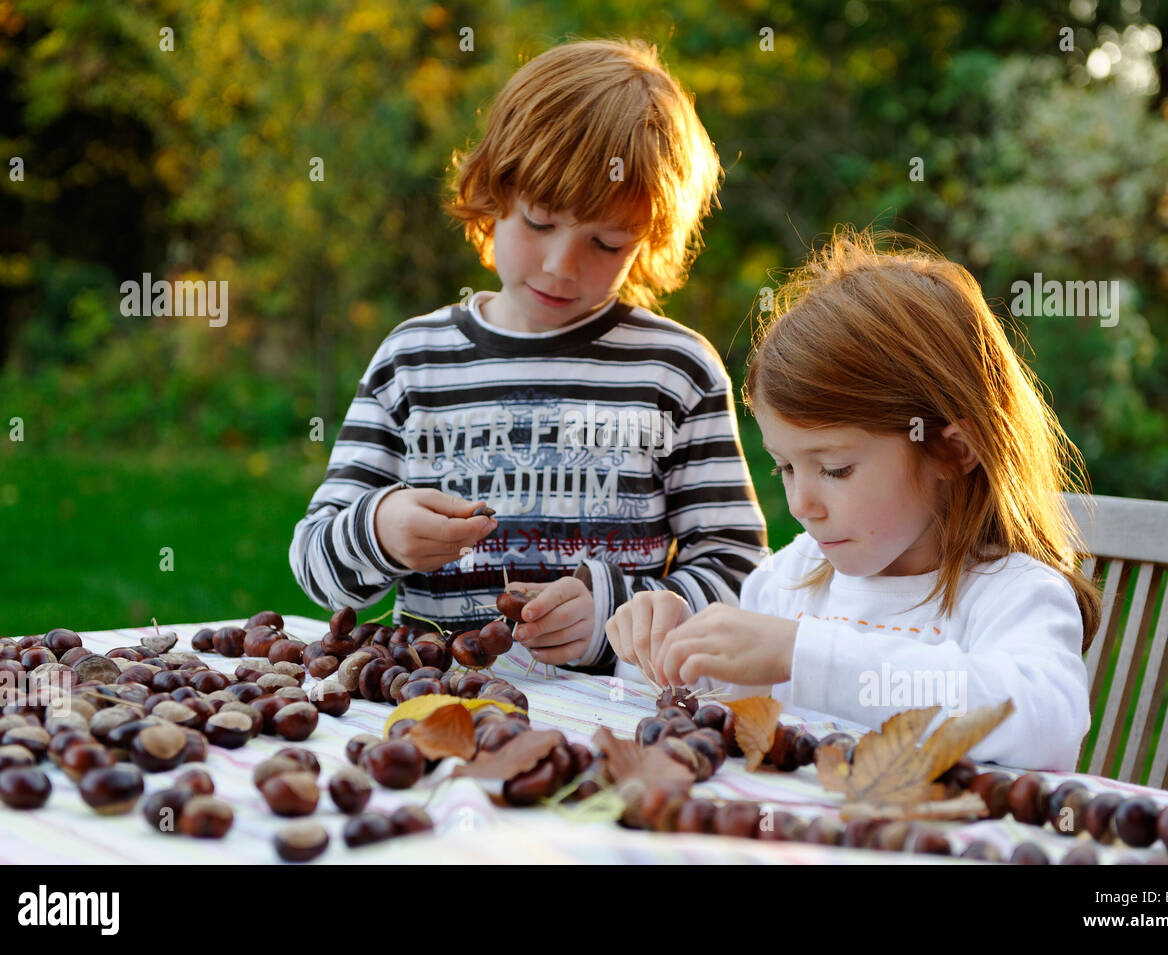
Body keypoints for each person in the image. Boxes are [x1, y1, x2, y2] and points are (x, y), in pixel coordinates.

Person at [290, 38, 766, 673]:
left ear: (647, 239)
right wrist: (380, 531)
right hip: (432, 710)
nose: (560, 265)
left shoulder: (674, 370)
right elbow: (317, 566)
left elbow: (739, 571)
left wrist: (612, 615)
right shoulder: (413, 361)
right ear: (493, 192)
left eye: (605, 242)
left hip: (619, 719)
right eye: (540, 223)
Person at [605, 229, 1101, 770]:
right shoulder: (793, 579)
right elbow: (719, 698)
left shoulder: (1012, 596)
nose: (800, 503)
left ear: (953, 452)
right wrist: (668, 645)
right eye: (786, 467)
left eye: (835, 469)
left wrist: (806, 654)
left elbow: (1045, 723)